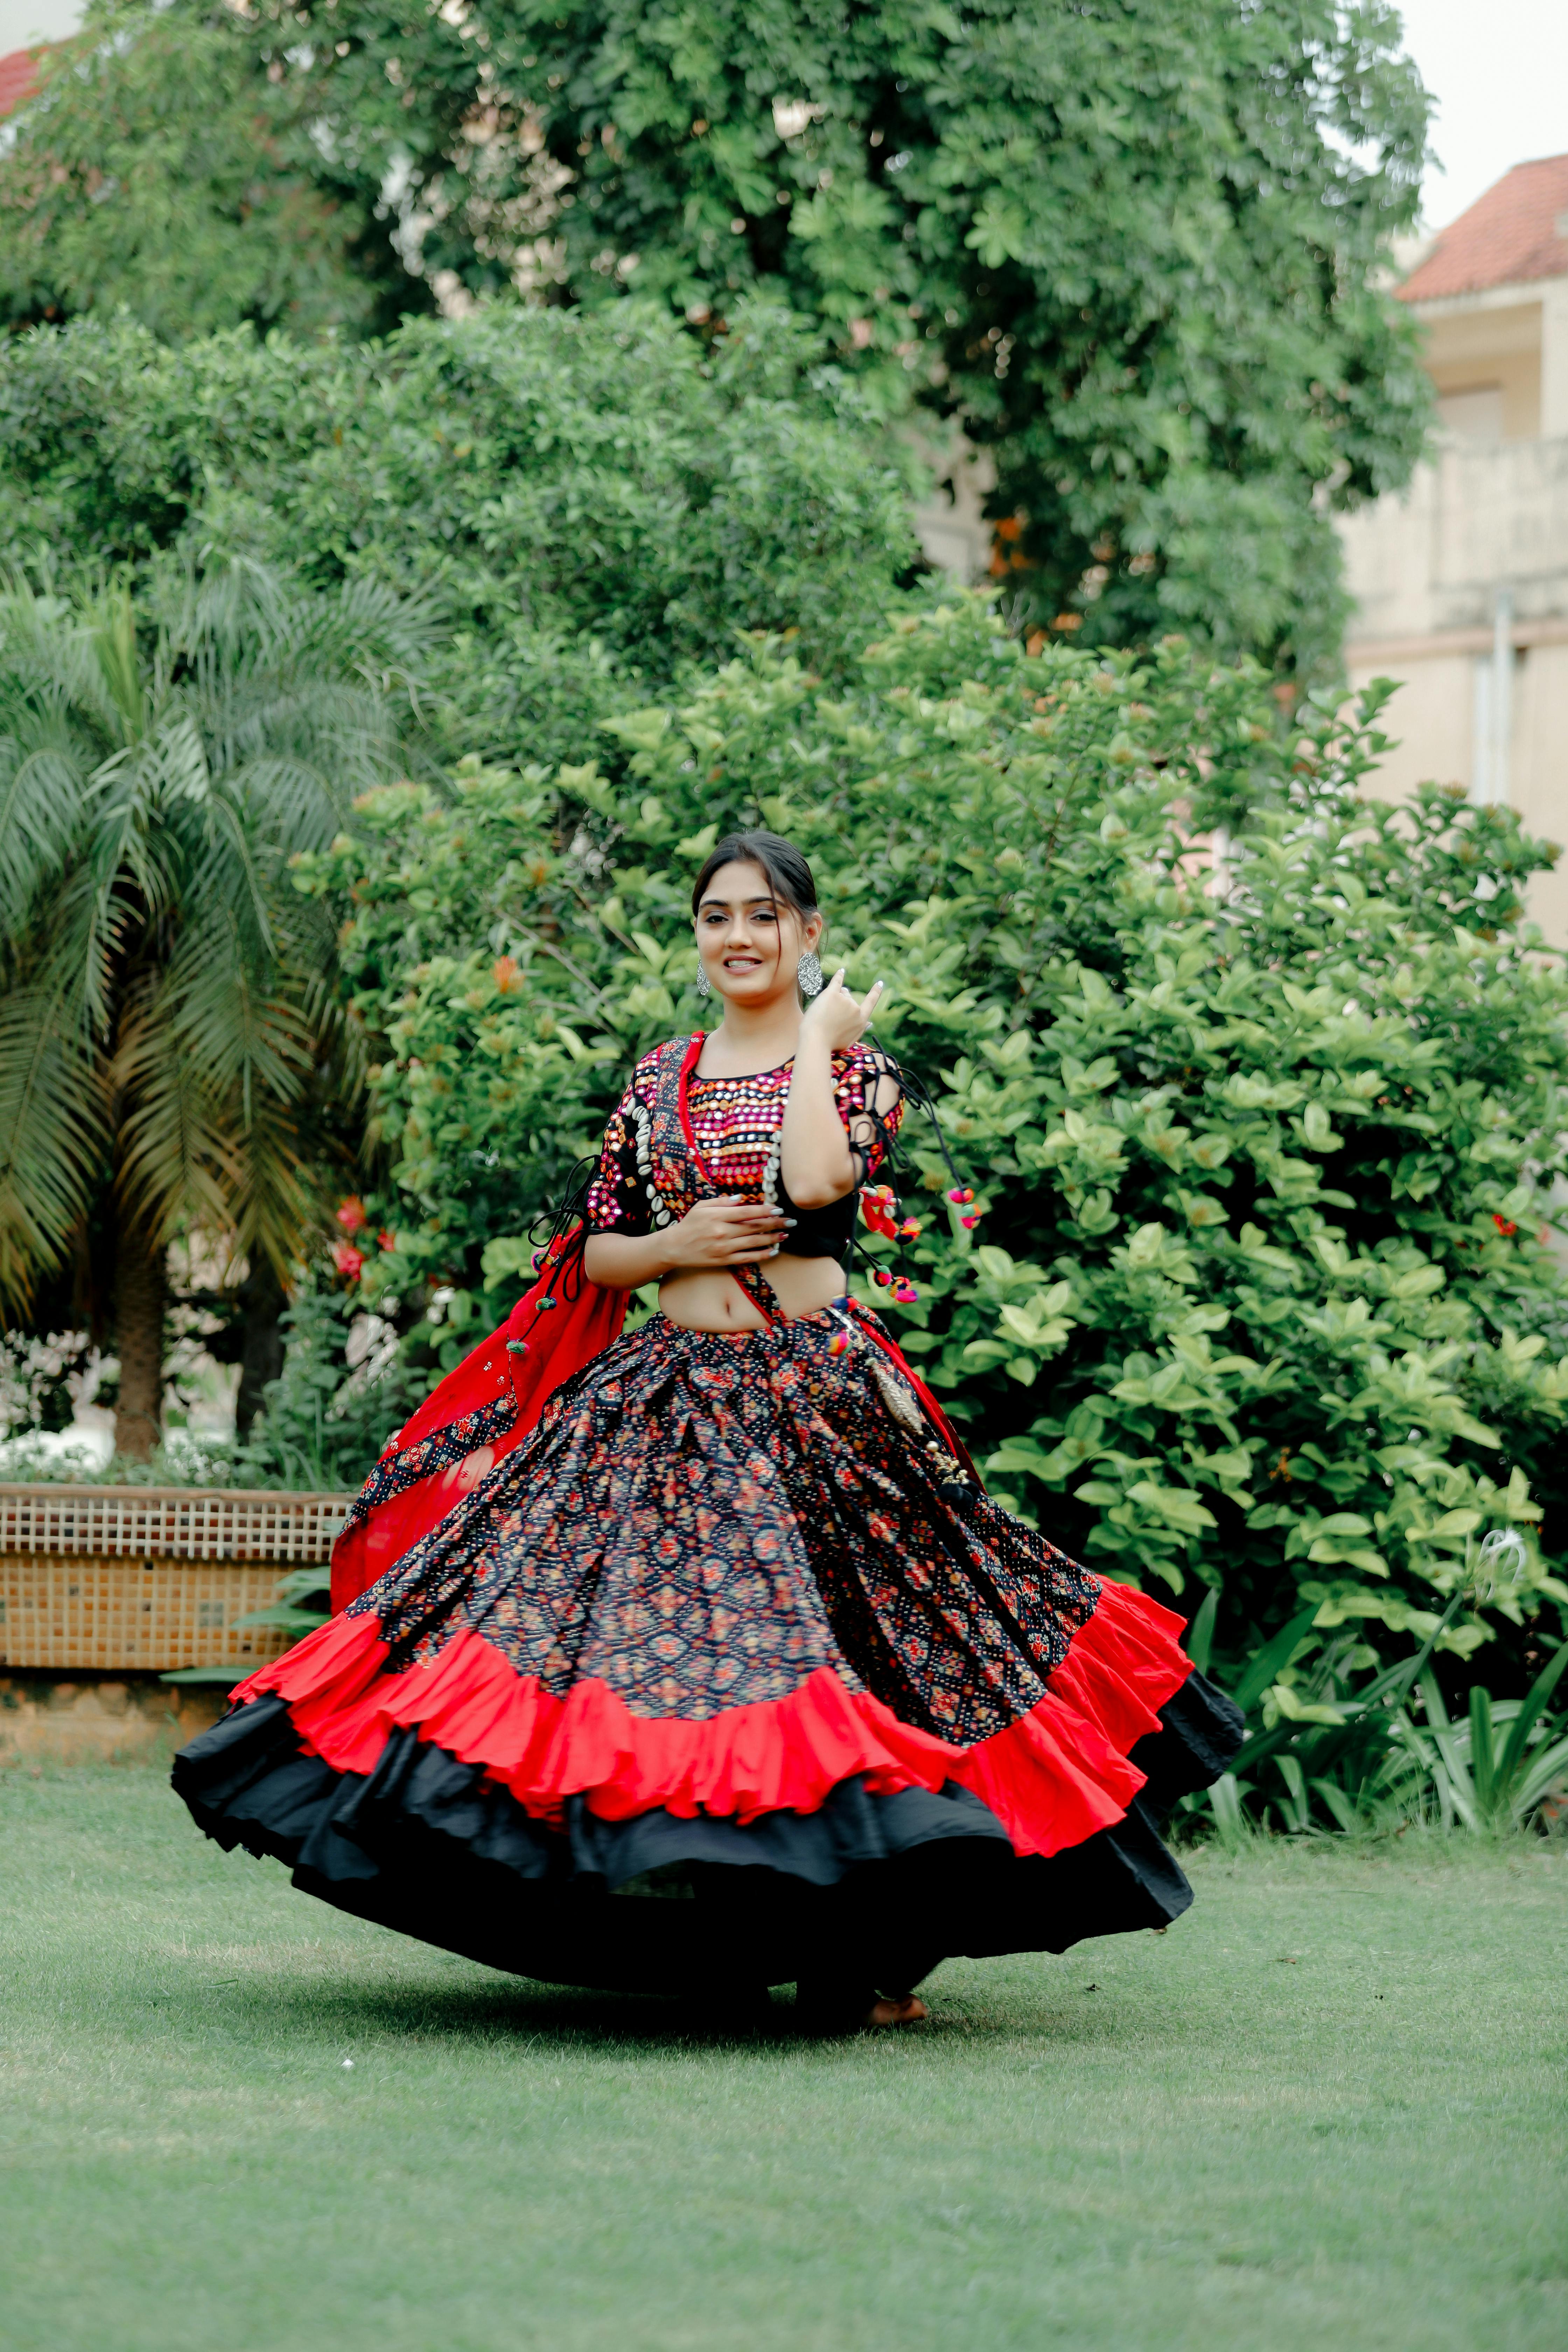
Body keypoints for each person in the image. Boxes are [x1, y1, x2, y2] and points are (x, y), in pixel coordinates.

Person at [174, 831, 1241, 2030]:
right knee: (681, 1672)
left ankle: (864, 1956)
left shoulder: (855, 1069)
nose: (738, 935)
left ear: (808, 934)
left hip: (818, 1407)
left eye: (765, 915)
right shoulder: (657, 1078)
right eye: (717, 915)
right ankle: (713, 1933)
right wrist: (671, 1250)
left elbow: (820, 1187)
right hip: (665, 1402)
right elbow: (598, 1247)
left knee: (864, 1667)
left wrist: (815, 1046)